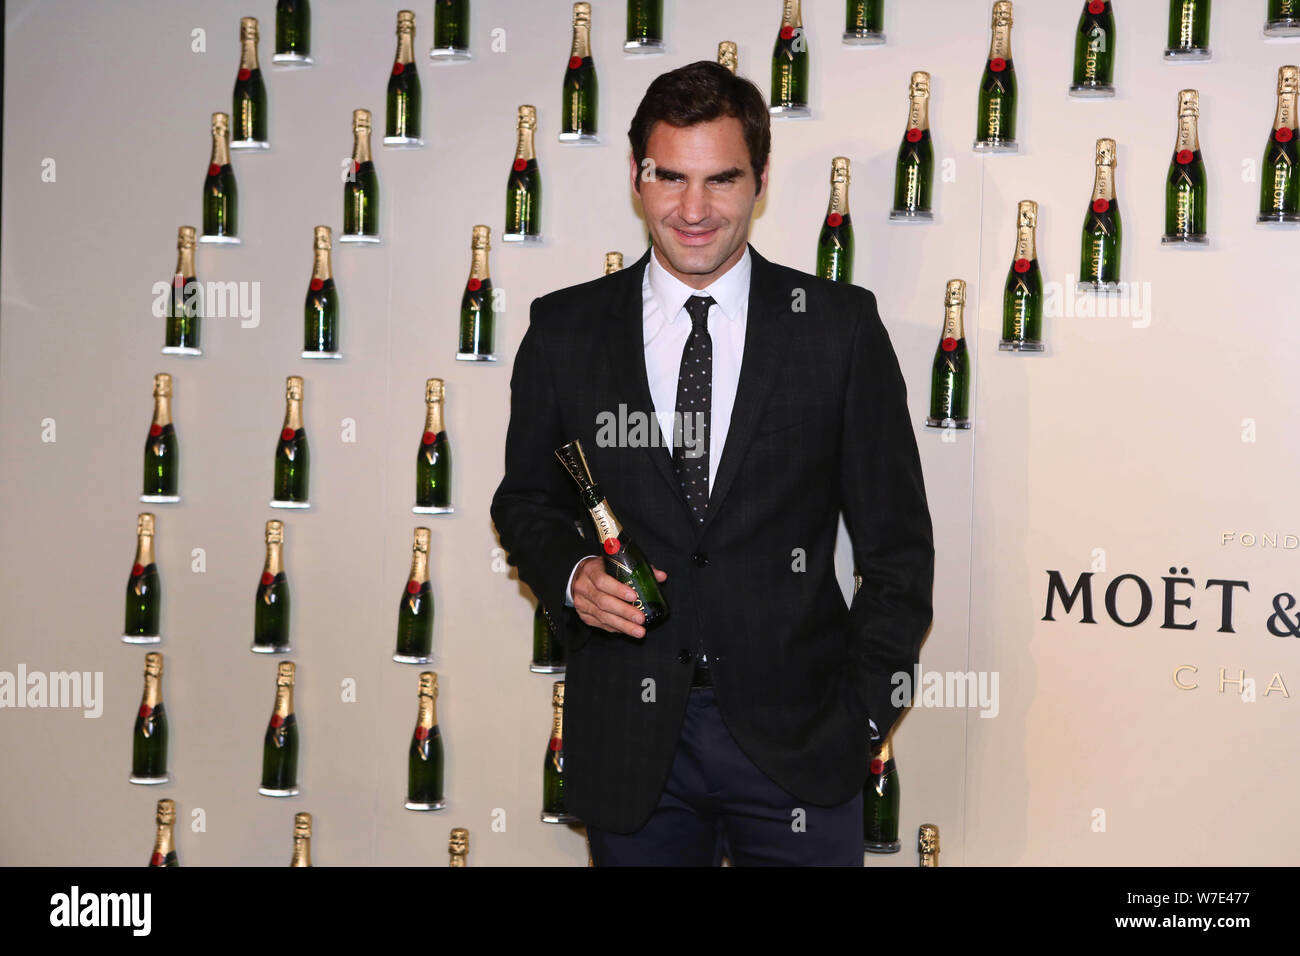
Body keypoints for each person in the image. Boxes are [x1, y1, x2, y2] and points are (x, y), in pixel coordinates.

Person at [490, 61, 934, 866]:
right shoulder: (565, 330)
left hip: (802, 742)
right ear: (637, 175)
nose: (693, 211)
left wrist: (863, 717)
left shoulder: (837, 329)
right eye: (670, 178)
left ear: (760, 180)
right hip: (631, 741)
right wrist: (572, 575)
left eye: (721, 179)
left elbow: (898, 552)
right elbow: (526, 502)